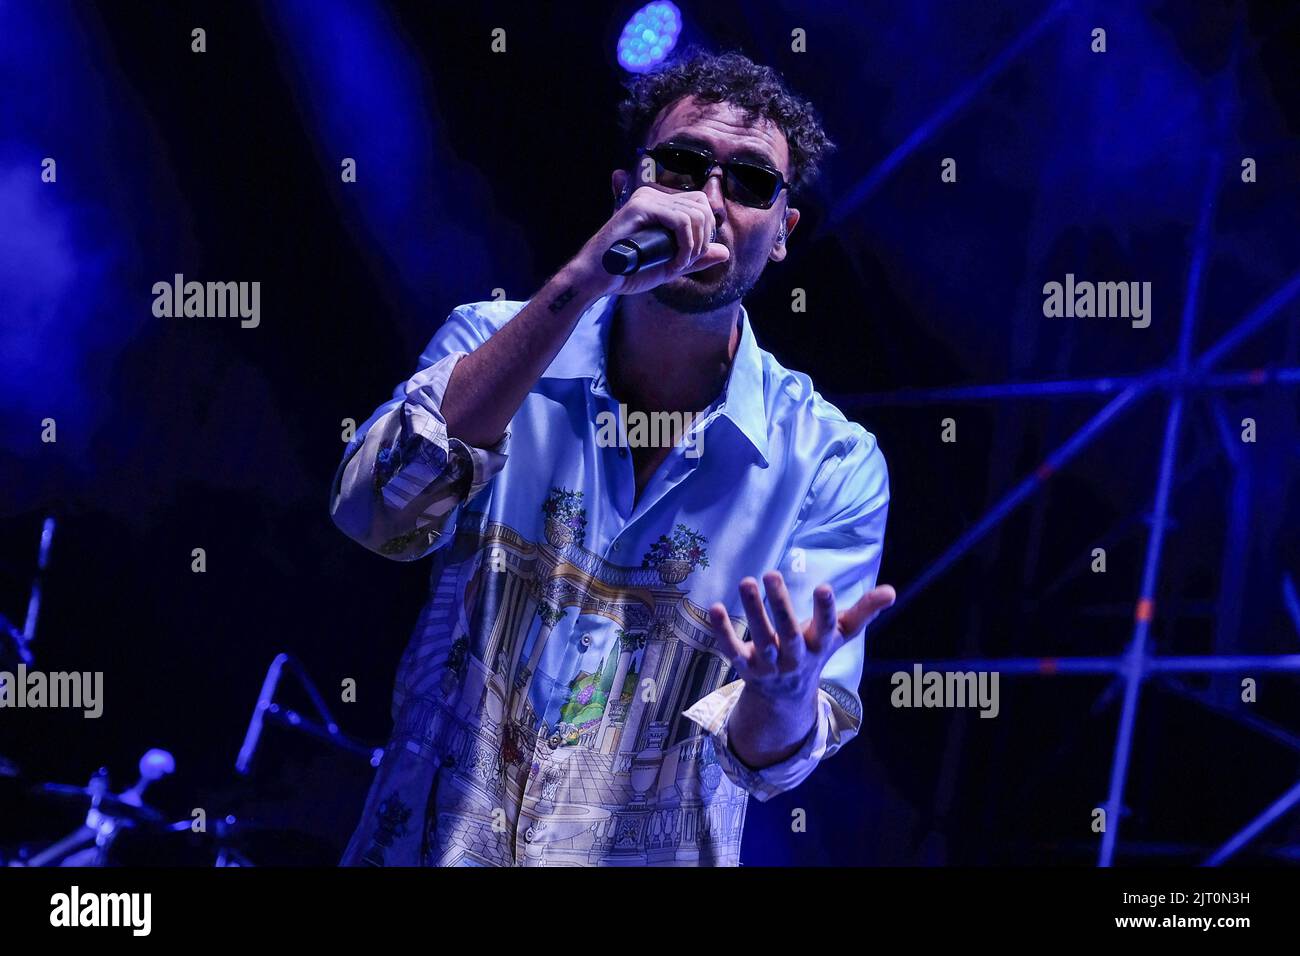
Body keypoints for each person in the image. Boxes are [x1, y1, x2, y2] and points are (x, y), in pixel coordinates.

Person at [331, 48, 893, 866]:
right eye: (681, 165)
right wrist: (584, 279)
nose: (709, 201)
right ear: (629, 188)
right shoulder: (492, 344)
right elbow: (371, 512)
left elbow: (771, 761)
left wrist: (782, 693)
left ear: (780, 234)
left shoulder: (830, 461)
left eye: (749, 182)